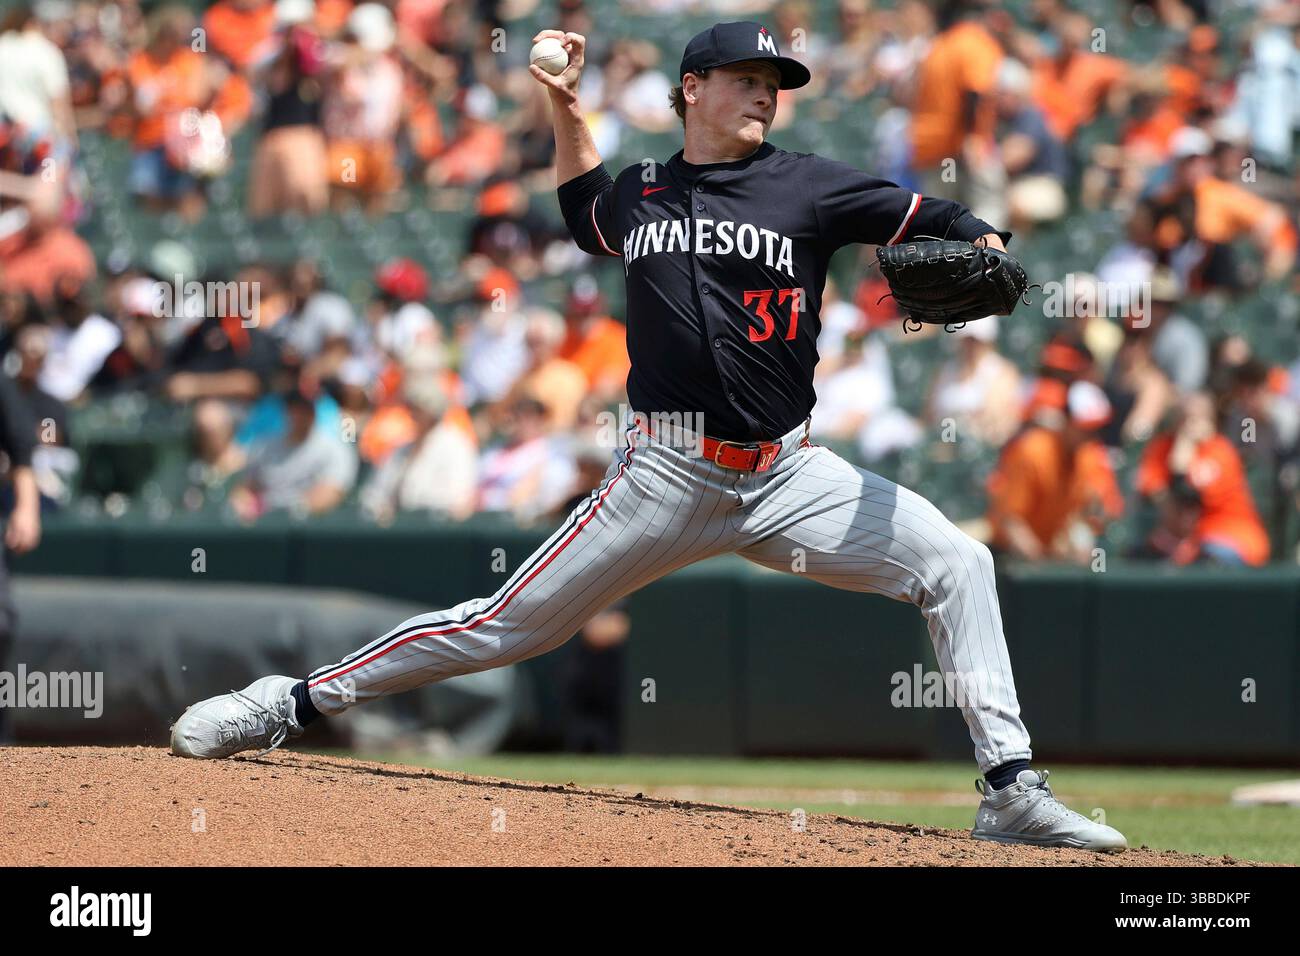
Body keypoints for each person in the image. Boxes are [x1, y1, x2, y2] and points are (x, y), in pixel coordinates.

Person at [170, 20, 1127, 853]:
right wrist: (562, 100)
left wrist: (989, 239)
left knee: (959, 561)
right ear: (692, 92)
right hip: (664, 473)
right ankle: (286, 703)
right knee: (503, 626)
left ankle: (1011, 791)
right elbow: (580, 206)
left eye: (775, 85)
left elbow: (937, 213)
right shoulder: (639, 193)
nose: (764, 95)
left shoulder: (810, 189)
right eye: (747, 81)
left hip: (791, 473)